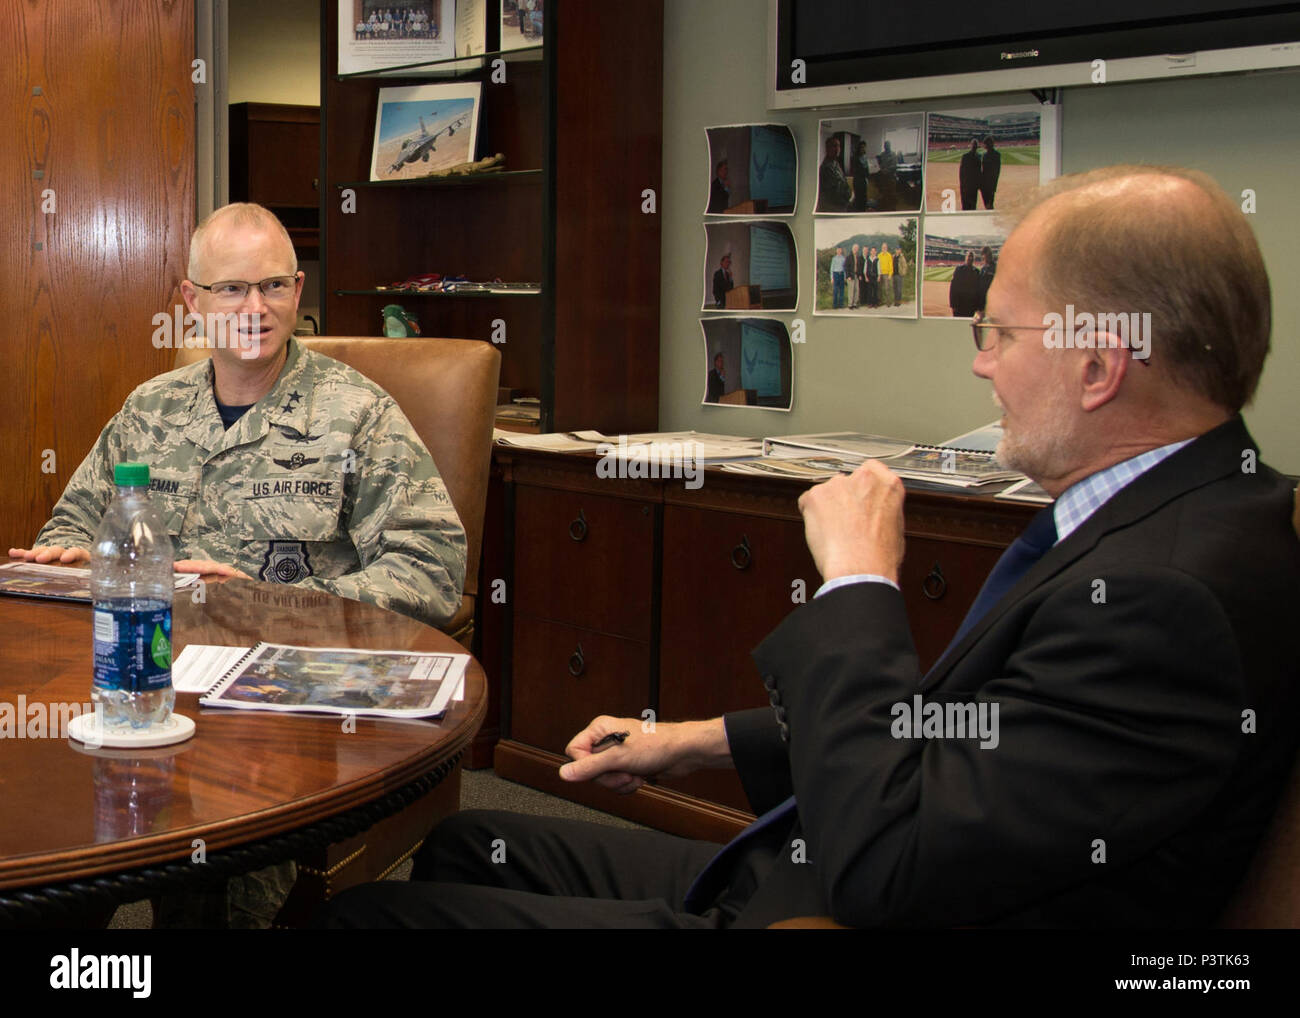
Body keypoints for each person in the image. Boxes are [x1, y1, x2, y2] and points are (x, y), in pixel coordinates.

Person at [322, 164, 1300, 931]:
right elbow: (973, 734)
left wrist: (861, 584)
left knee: (367, 917)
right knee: (470, 843)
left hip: (851, 896)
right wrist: (694, 741)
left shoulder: (1167, 599)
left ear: (1097, 364)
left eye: (999, 329)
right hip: (828, 858)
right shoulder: (1172, 515)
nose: (979, 359)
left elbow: (890, 859)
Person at [11, 203, 467, 630]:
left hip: (290, 663)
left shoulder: (360, 415)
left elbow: (431, 571)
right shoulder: (149, 409)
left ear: (297, 290)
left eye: (273, 285)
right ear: (193, 301)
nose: (256, 309)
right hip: (158, 655)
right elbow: (74, 522)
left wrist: (268, 602)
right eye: (231, 288)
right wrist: (76, 557)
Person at [817, 136, 851, 213]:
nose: (837, 149)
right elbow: (834, 192)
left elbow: (843, 182)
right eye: (834, 146)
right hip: (832, 208)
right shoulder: (826, 167)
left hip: (841, 206)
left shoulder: (836, 163)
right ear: (827, 148)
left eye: (839, 146)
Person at [949, 250, 982, 317]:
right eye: (969, 256)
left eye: (972, 256)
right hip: (960, 305)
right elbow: (953, 288)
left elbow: (978, 290)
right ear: (965, 257)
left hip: (971, 306)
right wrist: (953, 305)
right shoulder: (959, 270)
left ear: (974, 259)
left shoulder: (977, 271)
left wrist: (978, 306)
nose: (970, 258)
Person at [959, 138, 981, 211]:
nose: (974, 146)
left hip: (970, 184)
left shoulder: (966, 156)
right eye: (974, 145)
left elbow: (962, 171)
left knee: (969, 204)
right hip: (970, 184)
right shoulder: (978, 156)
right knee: (969, 204)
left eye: (975, 145)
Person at [980, 135, 1001, 210]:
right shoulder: (985, 155)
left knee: (989, 203)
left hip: (990, 182)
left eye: (985, 144)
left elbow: (996, 170)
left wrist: (993, 184)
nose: (984, 146)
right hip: (985, 182)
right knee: (987, 203)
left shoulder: (995, 155)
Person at [976, 244, 996, 313]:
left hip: (992, 301)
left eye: (987, 254)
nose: (985, 256)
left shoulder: (996, 267)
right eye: (984, 254)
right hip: (982, 301)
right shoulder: (983, 268)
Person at [851, 141, 870, 212]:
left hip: (864, 181)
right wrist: (865, 171)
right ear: (859, 148)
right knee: (859, 199)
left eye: (864, 147)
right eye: (862, 147)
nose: (863, 149)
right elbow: (856, 170)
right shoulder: (855, 158)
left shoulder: (865, 157)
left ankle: (863, 211)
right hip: (858, 181)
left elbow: (867, 169)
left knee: (864, 198)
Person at [877, 241, 894, 307]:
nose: (884, 248)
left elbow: (891, 266)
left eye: (885, 247)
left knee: (887, 288)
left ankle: (888, 302)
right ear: (881, 248)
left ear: (887, 248)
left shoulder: (889, 255)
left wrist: (890, 274)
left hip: (887, 274)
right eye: (883, 247)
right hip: (880, 274)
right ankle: (880, 301)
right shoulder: (879, 255)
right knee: (879, 289)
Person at [847, 243, 862, 309]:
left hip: (856, 275)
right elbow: (846, 267)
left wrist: (860, 275)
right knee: (851, 290)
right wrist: (848, 276)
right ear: (852, 249)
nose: (856, 250)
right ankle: (850, 304)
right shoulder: (848, 257)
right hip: (851, 276)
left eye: (857, 249)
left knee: (857, 290)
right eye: (855, 248)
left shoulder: (858, 257)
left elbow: (859, 267)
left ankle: (855, 303)